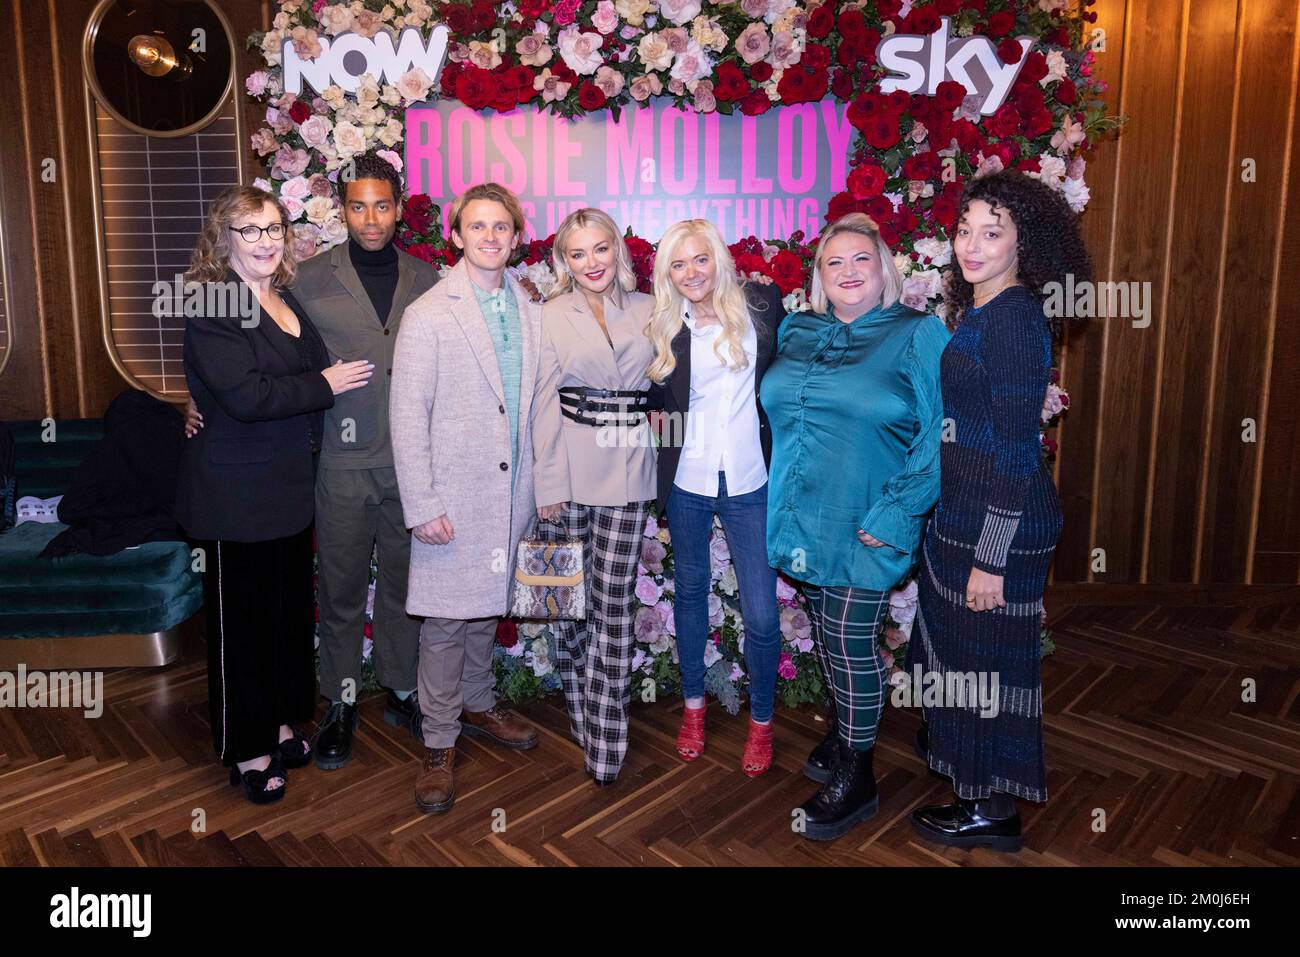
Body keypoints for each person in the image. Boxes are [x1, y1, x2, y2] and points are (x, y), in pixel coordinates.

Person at [908, 172, 1089, 852]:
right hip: (968, 511)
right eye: (966, 229)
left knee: (985, 666)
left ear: (1025, 242)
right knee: (960, 656)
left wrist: (990, 557)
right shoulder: (986, 310)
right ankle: (966, 761)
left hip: (999, 526)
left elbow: (1017, 453)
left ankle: (988, 807)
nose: (973, 245)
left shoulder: (1013, 321)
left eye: (993, 232)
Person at [176, 185, 373, 803]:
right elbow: (248, 395)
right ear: (223, 239)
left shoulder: (282, 298)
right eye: (250, 230)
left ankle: (282, 721)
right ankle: (247, 748)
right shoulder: (213, 302)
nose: (265, 241)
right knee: (246, 628)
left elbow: (282, 377)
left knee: (286, 618)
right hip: (236, 497)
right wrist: (325, 383)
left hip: (287, 489)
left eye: (272, 228)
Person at [763, 212, 948, 841]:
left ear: (884, 268)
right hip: (799, 512)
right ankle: (846, 736)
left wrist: (899, 511)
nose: (847, 271)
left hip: (867, 518)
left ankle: (859, 777)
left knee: (848, 642)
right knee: (826, 631)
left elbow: (942, 433)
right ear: (819, 276)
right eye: (833, 262)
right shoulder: (798, 328)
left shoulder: (918, 333)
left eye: (860, 259)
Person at [390, 182, 542, 815]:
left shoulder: (531, 306)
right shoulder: (431, 312)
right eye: (476, 226)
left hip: (513, 495)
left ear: (514, 236)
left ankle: (479, 704)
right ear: (455, 236)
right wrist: (422, 503)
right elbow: (406, 412)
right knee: (448, 622)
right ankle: (439, 741)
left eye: (500, 226)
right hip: (451, 500)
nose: (488, 236)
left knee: (489, 604)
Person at [292, 152, 437, 768]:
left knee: (408, 586)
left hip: (412, 464)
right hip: (343, 463)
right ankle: (343, 701)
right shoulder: (308, 279)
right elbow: (268, 351)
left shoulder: (429, 279)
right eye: (358, 205)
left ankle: (403, 689)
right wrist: (202, 399)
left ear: (399, 210)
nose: (370, 218)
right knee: (344, 591)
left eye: (382, 205)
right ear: (342, 209)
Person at [645, 219, 785, 777]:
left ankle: (762, 722)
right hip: (688, 483)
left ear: (718, 260)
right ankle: (695, 710)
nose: (691, 274)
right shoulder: (664, 328)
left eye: (699, 259)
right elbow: (657, 401)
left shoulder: (762, 305)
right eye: (678, 265)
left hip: (752, 480)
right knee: (690, 598)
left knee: (762, 613)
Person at [531, 208, 657, 786]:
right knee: (564, 605)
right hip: (568, 471)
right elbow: (541, 406)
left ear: (618, 250)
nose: (592, 264)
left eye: (600, 249)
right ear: (564, 260)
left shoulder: (652, 307)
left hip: (630, 470)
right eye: (577, 254)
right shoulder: (548, 316)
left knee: (612, 604)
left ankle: (607, 732)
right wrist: (548, 486)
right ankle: (580, 704)